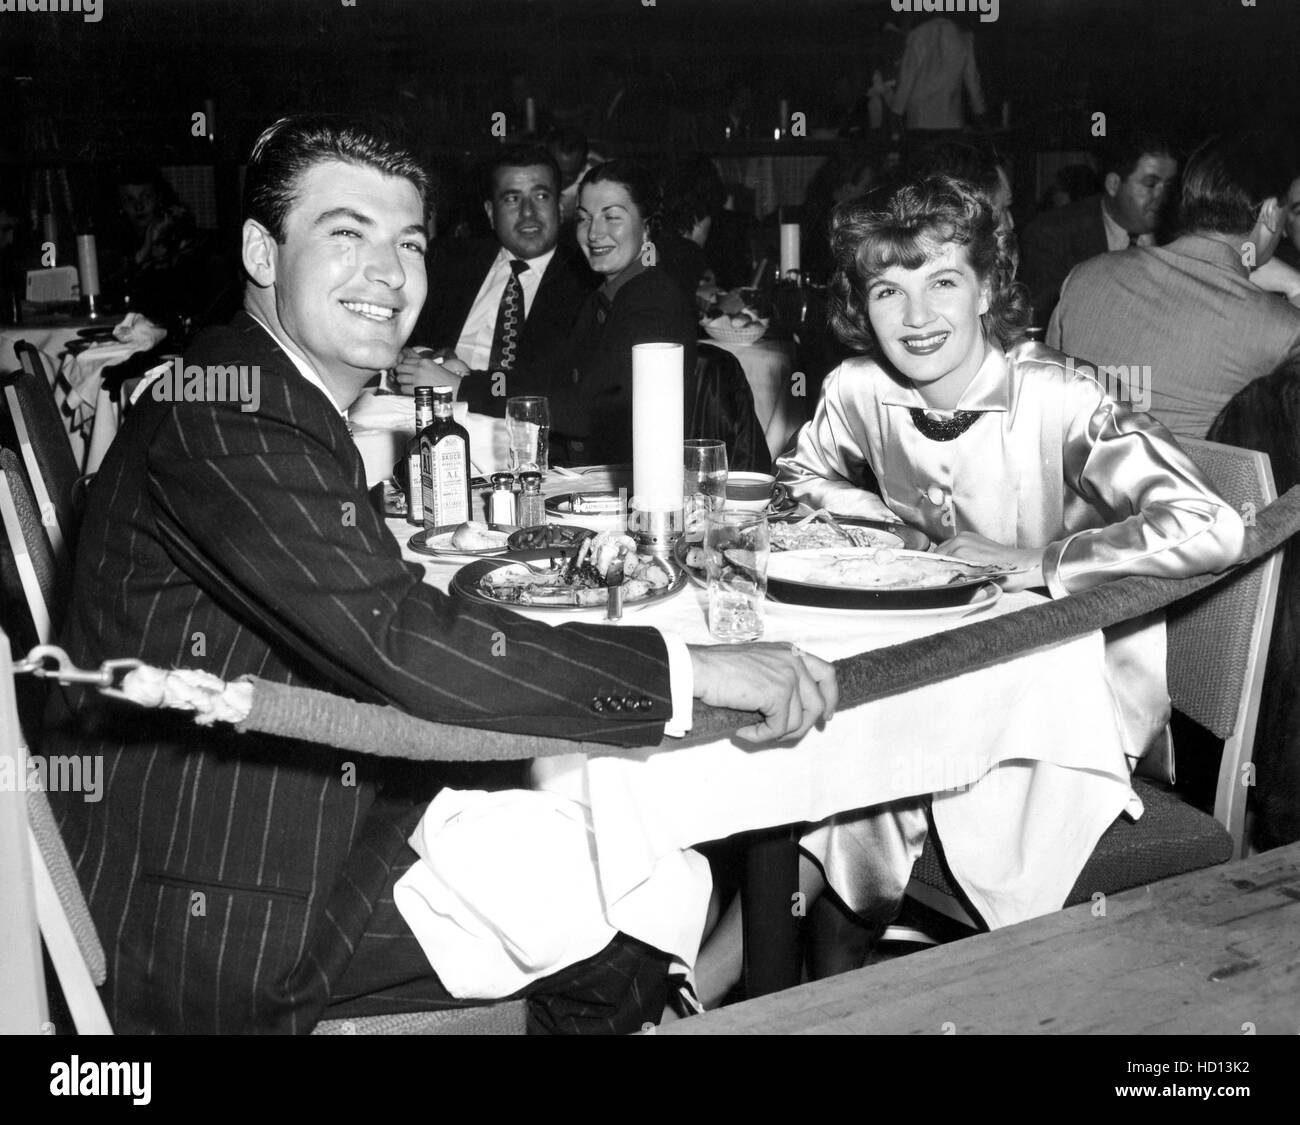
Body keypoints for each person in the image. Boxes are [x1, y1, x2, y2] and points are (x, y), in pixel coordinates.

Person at [43, 115, 837, 1036]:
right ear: (263, 250)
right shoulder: (234, 410)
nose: (388, 272)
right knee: (632, 915)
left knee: (624, 854)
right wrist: (693, 671)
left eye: (408, 242)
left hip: (277, 808)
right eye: (347, 235)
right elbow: (403, 642)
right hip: (220, 904)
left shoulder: (255, 384)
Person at [770, 174, 1242, 978]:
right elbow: (795, 482)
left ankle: (744, 990)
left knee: (850, 781)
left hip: (1059, 697)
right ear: (862, 303)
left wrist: (1040, 561)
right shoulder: (858, 390)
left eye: (943, 282)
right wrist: (906, 531)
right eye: (889, 289)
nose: (916, 318)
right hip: (932, 666)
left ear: (987, 287)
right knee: (831, 765)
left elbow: (1211, 524)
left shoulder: (1062, 397)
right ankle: (775, 998)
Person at [1049, 131, 1300, 439]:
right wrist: (1297, 286)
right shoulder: (1281, 329)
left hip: (1079, 481)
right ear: (1271, 212)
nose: (1285, 235)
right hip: (1193, 484)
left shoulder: (1084, 278)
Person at [400, 145, 595, 417]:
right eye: (512, 199)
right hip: (425, 417)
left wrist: (463, 383)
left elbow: (559, 391)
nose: (528, 213)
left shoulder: (586, 283)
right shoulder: (448, 262)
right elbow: (405, 340)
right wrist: (423, 357)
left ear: (560, 208)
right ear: (491, 213)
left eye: (540, 196)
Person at [547, 160, 698, 465]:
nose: (593, 233)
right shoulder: (604, 295)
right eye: (583, 218)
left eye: (612, 217)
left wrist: (474, 392)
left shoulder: (654, 302)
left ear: (646, 225)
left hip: (632, 487)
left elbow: (589, 412)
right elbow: (554, 374)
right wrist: (466, 379)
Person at [1019, 134, 1178, 325]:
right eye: (1150, 184)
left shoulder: (1177, 236)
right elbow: (1046, 321)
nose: (1162, 196)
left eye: (1167, 186)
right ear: (1113, 184)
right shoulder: (1053, 234)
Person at [889, 14, 986, 136]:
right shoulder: (963, 37)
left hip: (920, 118)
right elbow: (972, 79)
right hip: (951, 118)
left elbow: (907, 77)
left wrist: (897, 111)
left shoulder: (917, 34)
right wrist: (979, 110)